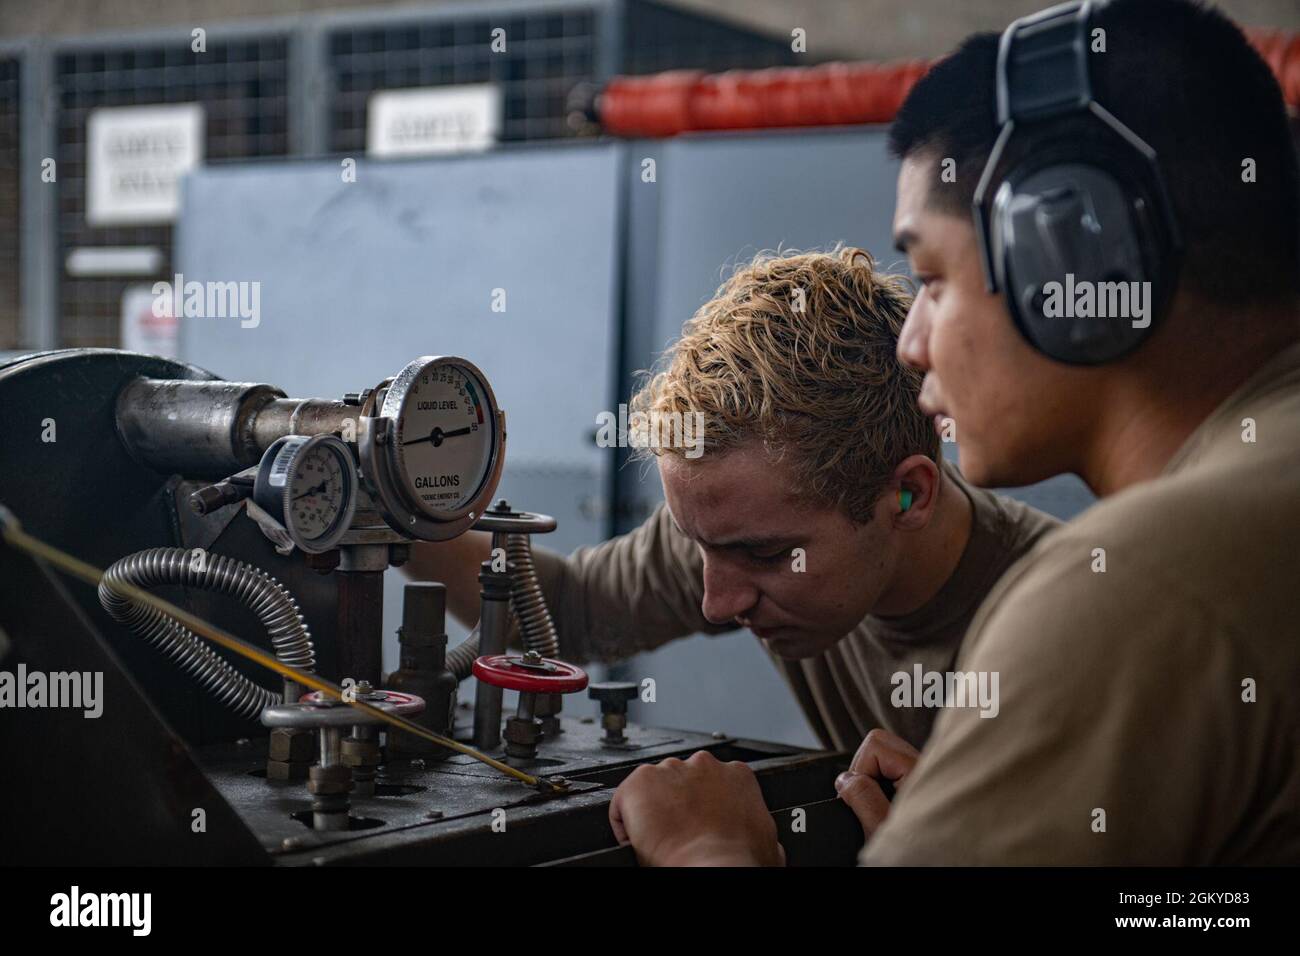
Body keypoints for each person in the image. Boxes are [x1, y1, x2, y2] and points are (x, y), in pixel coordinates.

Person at [610, 0, 1300, 866]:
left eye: (933, 277)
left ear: (1076, 265)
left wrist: (707, 849)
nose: (912, 341)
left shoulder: (1144, 582)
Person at [405, 246, 1057, 759]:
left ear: (909, 493)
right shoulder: (737, 525)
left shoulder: (1065, 626)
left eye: (766, 555)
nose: (718, 600)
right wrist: (397, 517)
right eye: (700, 546)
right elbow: (569, 612)